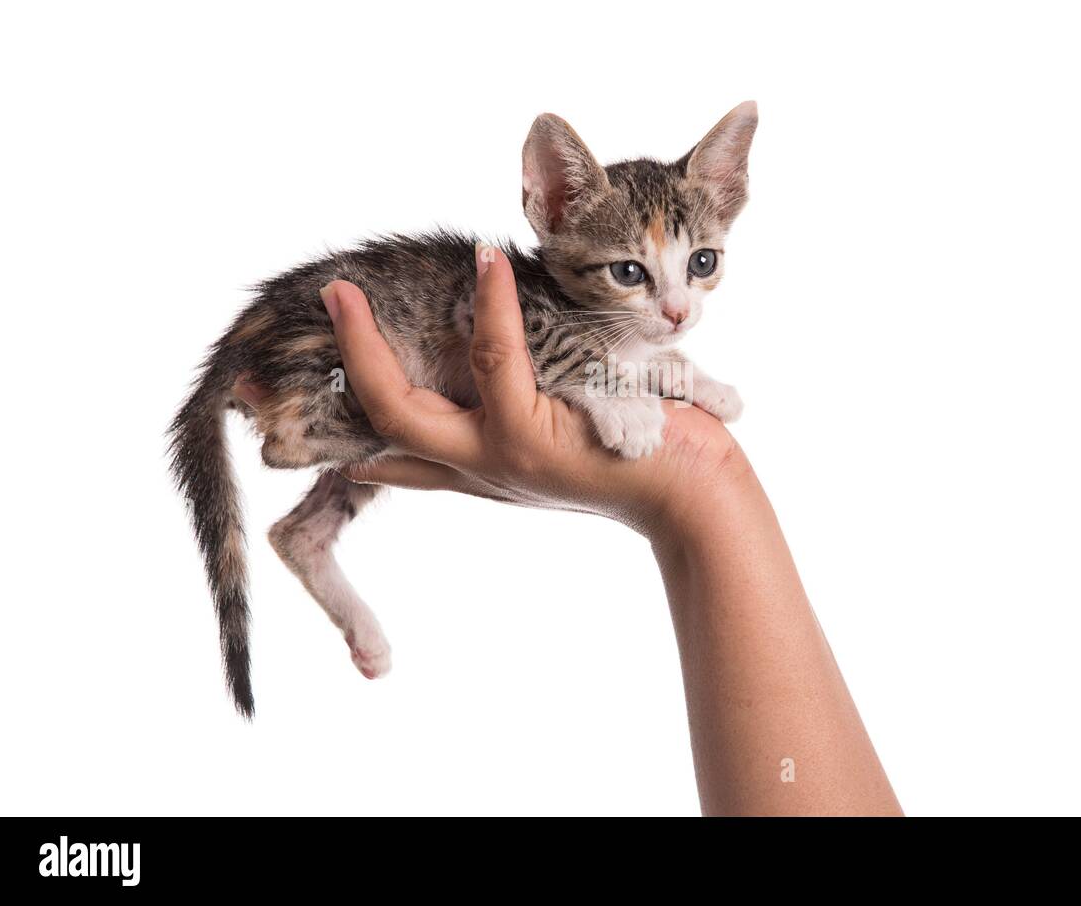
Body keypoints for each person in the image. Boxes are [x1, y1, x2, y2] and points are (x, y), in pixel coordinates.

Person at [309, 244, 902, 816]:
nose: (678, 308)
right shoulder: (561, 310)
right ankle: (298, 450)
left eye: (700, 264)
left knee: (368, 444)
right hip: (360, 335)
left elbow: (627, 360)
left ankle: (307, 525)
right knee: (350, 431)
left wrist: (696, 456)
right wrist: (621, 394)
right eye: (630, 270)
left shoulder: (625, 328)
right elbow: (545, 344)